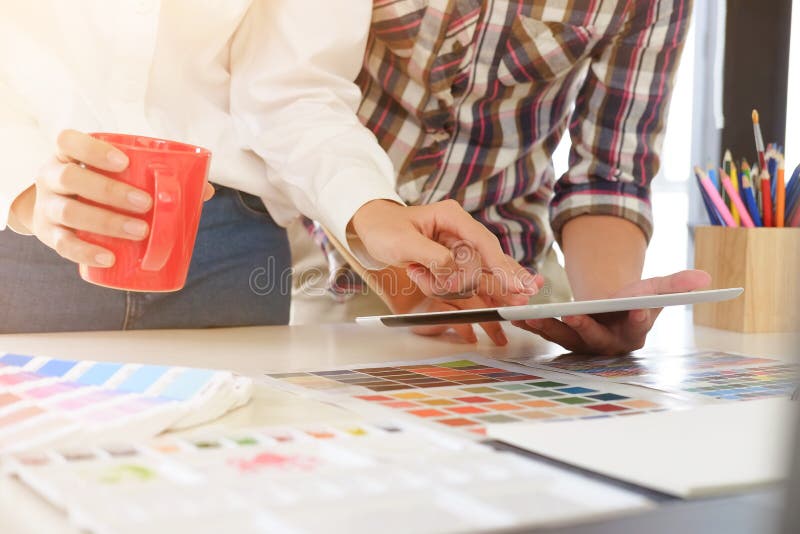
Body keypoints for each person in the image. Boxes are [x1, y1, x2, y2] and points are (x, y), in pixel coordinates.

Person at [0, 1, 538, 333]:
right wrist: (24, 188)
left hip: (227, 251)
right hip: (22, 245)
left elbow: (293, 92)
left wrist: (375, 212)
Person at [295, 0, 710, 355]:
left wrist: (606, 308)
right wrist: (409, 283)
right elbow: (297, 99)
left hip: (514, 285)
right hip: (331, 251)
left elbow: (610, 175)